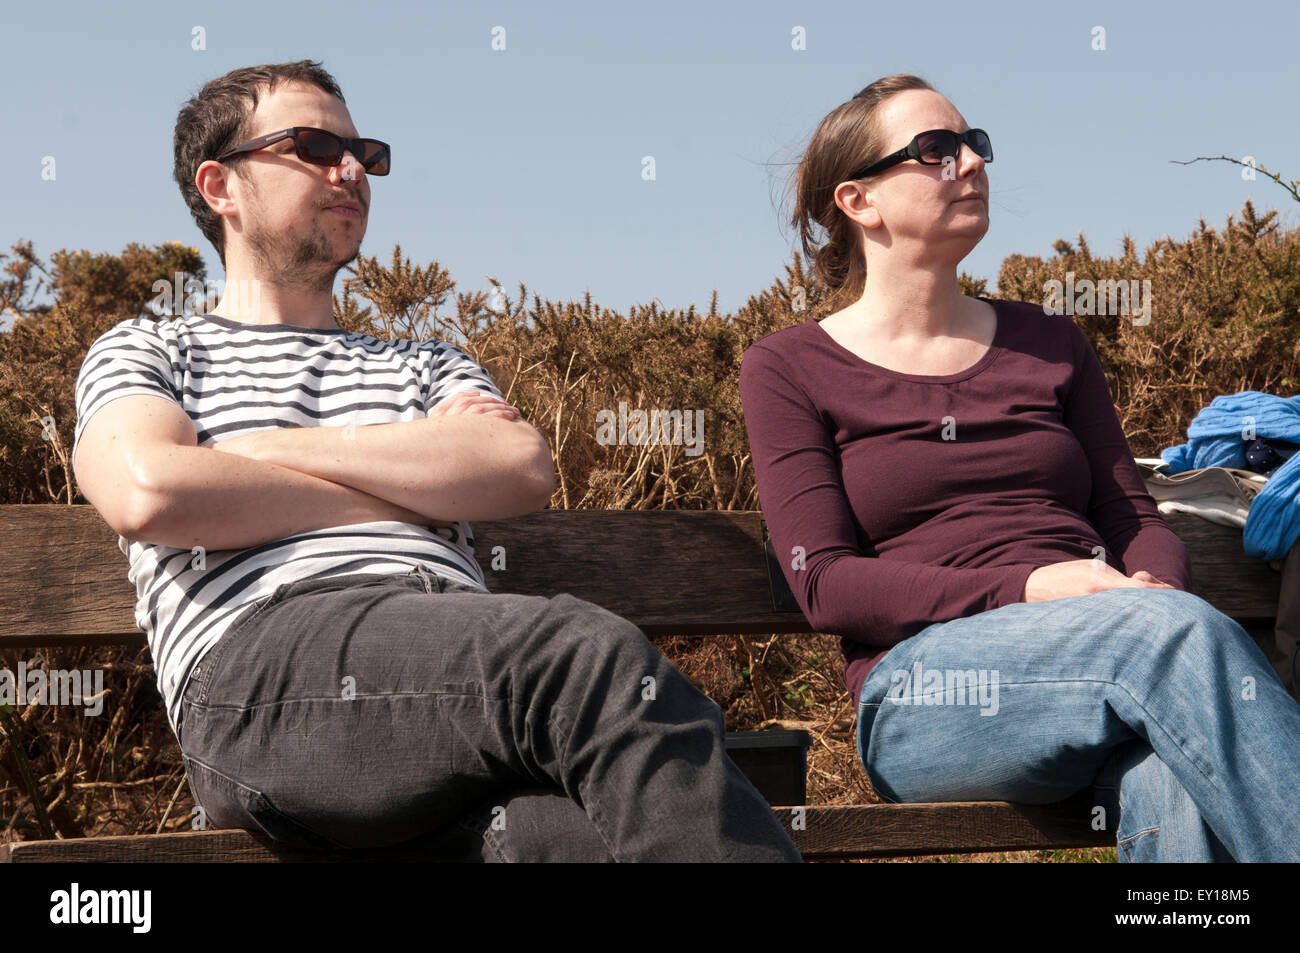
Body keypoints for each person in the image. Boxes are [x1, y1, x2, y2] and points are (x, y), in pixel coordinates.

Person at [71, 59, 800, 863]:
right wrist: (406, 489)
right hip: (264, 676)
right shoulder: (152, 348)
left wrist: (260, 457)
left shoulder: (423, 361)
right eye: (312, 146)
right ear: (220, 185)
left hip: (446, 687)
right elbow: (151, 490)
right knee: (585, 656)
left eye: (366, 154)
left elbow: (517, 466)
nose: (352, 170)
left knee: (566, 843)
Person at [739, 74, 1300, 861]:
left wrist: (1153, 595)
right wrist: (1035, 588)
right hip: (926, 692)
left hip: (1119, 658)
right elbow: (827, 581)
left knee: (1169, 787)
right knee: (1159, 646)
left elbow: (1131, 517)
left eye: (975, 144)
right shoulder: (789, 366)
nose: (969, 163)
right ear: (858, 200)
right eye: (934, 150)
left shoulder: (1051, 342)